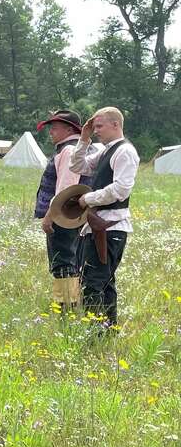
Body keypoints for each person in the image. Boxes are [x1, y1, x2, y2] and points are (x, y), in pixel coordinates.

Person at [68, 106, 139, 329]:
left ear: (115, 124)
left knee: (94, 283)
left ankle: (96, 333)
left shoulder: (124, 151)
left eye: (99, 126)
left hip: (110, 227)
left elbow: (121, 189)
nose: (96, 130)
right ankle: (106, 330)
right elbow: (77, 165)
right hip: (99, 226)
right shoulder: (108, 150)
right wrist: (84, 139)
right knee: (101, 281)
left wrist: (88, 198)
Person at [34, 109, 88, 312]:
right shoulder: (72, 148)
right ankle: (71, 305)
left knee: (63, 262)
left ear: (68, 129)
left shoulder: (68, 151)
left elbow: (66, 188)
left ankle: (66, 308)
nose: (50, 132)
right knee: (71, 261)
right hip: (73, 216)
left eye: (54, 128)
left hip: (64, 217)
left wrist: (50, 216)